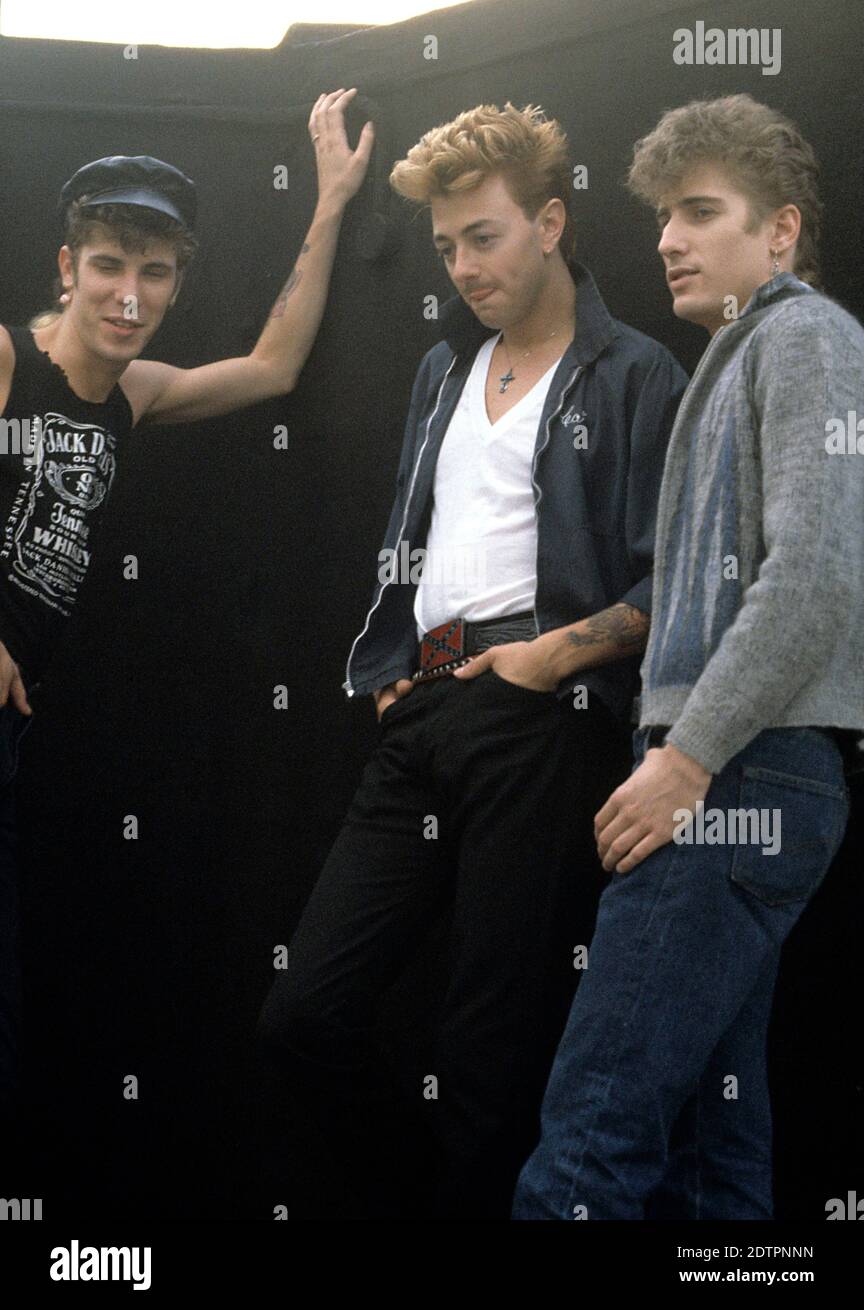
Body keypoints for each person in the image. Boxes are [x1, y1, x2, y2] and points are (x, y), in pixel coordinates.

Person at [256, 101, 688, 1219]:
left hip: (543, 719)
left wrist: (552, 657)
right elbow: (420, 533)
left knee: (489, 1050)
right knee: (304, 1018)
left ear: (550, 222)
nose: (462, 267)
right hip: (424, 709)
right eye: (446, 247)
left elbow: (681, 582)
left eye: (482, 237)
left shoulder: (635, 374)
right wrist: (395, 656)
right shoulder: (443, 369)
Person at [0, 88, 373, 1161]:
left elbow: (273, 365)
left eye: (153, 272)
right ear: (68, 267)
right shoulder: (12, 363)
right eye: (109, 265)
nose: (129, 294)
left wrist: (332, 200)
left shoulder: (131, 396)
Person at [513, 93, 864, 1221]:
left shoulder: (807, 337)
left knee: (590, 1145)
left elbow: (815, 578)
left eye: (702, 211)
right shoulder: (747, 349)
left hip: (740, 773)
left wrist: (689, 757)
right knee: (717, 1160)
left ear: (782, 231)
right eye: (666, 214)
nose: (669, 237)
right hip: (747, 772)